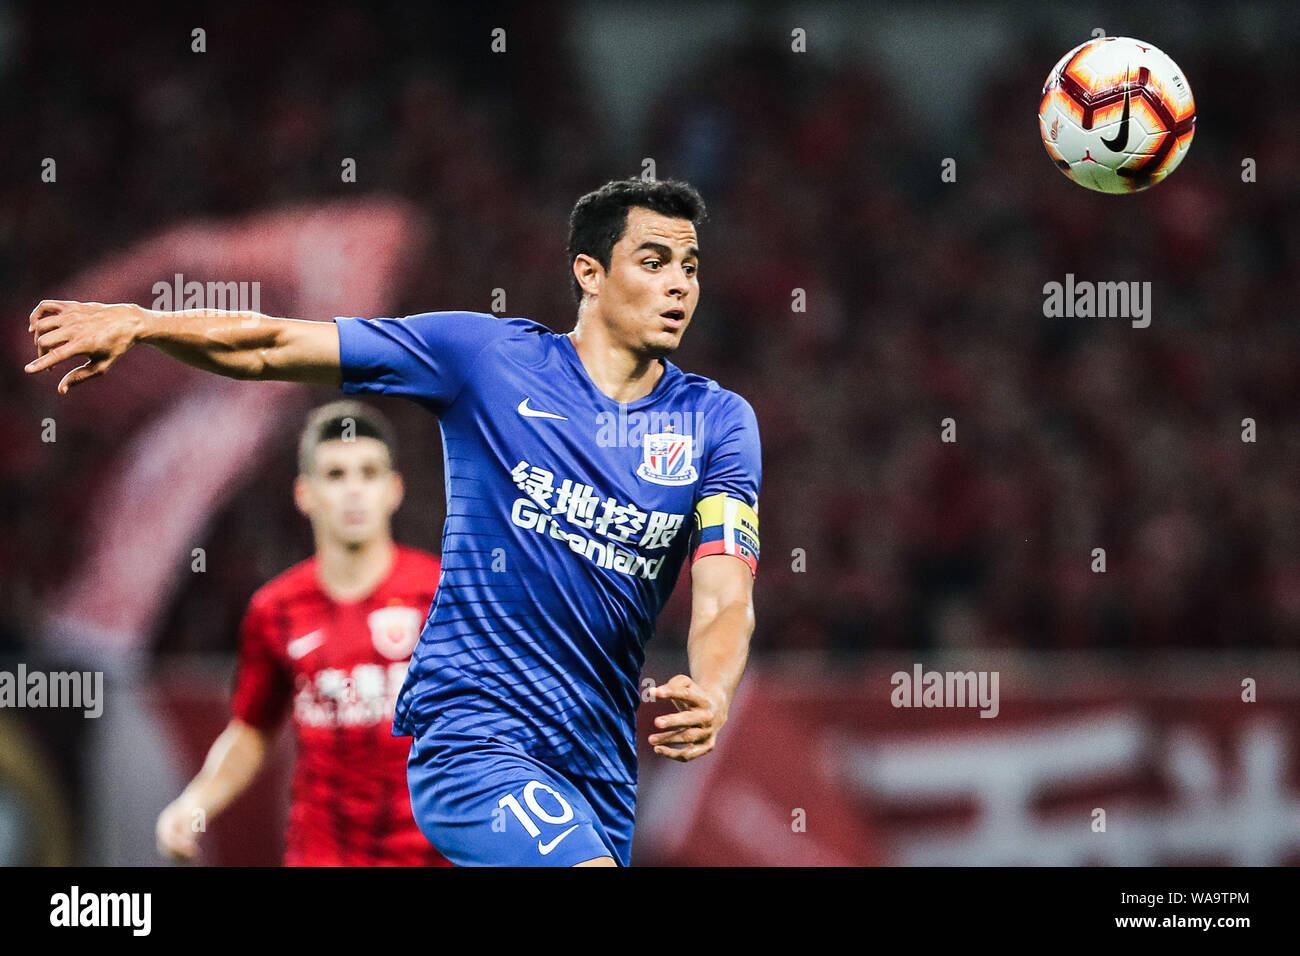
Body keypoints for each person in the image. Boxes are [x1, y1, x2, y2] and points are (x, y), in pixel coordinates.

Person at [28, 177, 761, 867]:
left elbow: (726, 593)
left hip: (597, 765)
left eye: (690, 267)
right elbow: (278, 342)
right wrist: (152, 326)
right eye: (655, 261)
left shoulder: (718, 423)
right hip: (475, 745)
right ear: (590, 273)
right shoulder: (487, 360)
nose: (678, 285)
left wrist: (716, 688)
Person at [154, 401, 450, 866]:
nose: (354, 491)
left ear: (393, 490)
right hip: (324, 853)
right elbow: (251, 732)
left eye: (368, 473)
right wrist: (195, 803)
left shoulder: (441, 595)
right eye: (335, 475)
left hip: (436, 852)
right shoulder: (276, 610)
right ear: (305, 493)